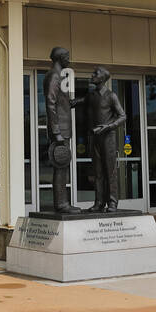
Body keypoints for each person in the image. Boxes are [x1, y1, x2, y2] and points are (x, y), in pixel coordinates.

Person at [43, 46, 86, 214]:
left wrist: (82, 100)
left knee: (62, 166)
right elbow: (50, 102)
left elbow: (63, 104)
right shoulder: (54, 75)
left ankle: (62, 202)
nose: (69, 59)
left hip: (62, 128)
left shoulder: (60, 76)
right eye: (67, 56)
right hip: (60, 129)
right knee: (60, 166)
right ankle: (61, 204)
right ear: (59, 58)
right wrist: (56, 131)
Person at [85, 67, 126, 212]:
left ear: (102, 78)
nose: (92, 75)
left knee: (110, 171)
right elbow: (81, 102)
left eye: (95, 73)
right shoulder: (91, 96)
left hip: (108, 137)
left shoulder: (111, 96)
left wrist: (108, 126)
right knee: (98, 172)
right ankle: (99, 203)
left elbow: (122, 116)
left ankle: (113, 203)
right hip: (94, 138)